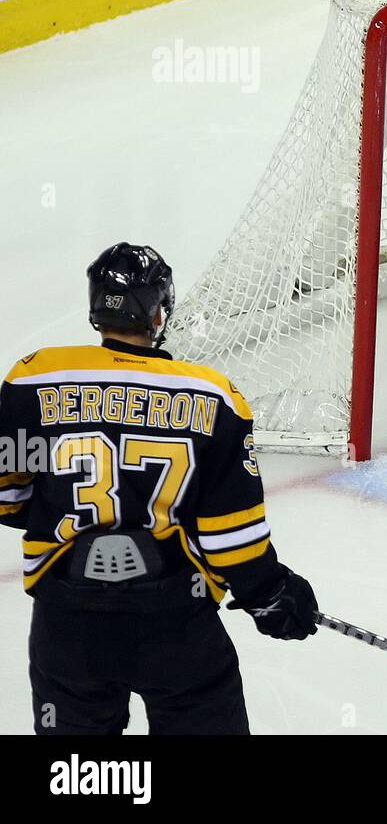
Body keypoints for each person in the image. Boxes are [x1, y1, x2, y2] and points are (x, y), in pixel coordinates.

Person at [0, 243, 317, 734]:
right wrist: (269, 594)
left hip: (67, 620)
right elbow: (230, 533)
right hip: (175, 617)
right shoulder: (213, 395)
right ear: (159, 312)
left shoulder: (33, 377)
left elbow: (8, 498)